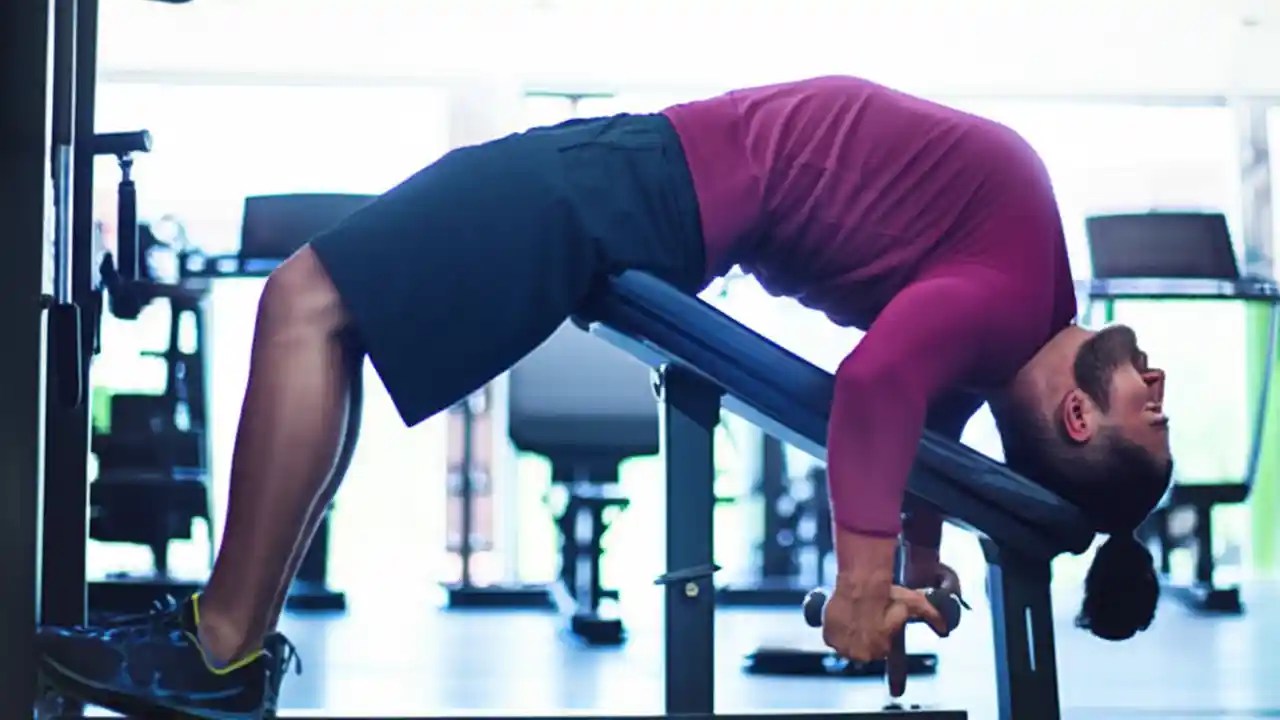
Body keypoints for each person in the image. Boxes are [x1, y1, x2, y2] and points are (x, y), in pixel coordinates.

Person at [36, 75, 1174, 719]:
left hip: (638, 186)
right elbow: (927, 414)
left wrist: (867, 582)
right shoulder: (1016, 304)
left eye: (1148, 409)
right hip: (654, 192)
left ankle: (222, 648)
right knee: (327, 315)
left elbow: (880, 382)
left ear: (1079, 419)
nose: (1157, 380)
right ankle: (228, 643)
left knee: (305, 300)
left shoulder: (1015, 285)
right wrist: (911, 564)